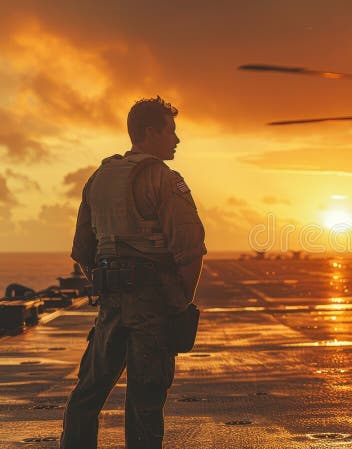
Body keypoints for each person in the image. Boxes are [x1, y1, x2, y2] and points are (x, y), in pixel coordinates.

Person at [62, 96, 206, 449]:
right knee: (146, 399)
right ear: (149, 133)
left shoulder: (99, 177)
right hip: (151, 304)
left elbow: (82, 253)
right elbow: (189, 251)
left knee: (88, 393)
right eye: (170, 130)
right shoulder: (164, 179)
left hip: (111, 304)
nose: (177, 139)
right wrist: (179, 302)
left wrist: (110, 285)